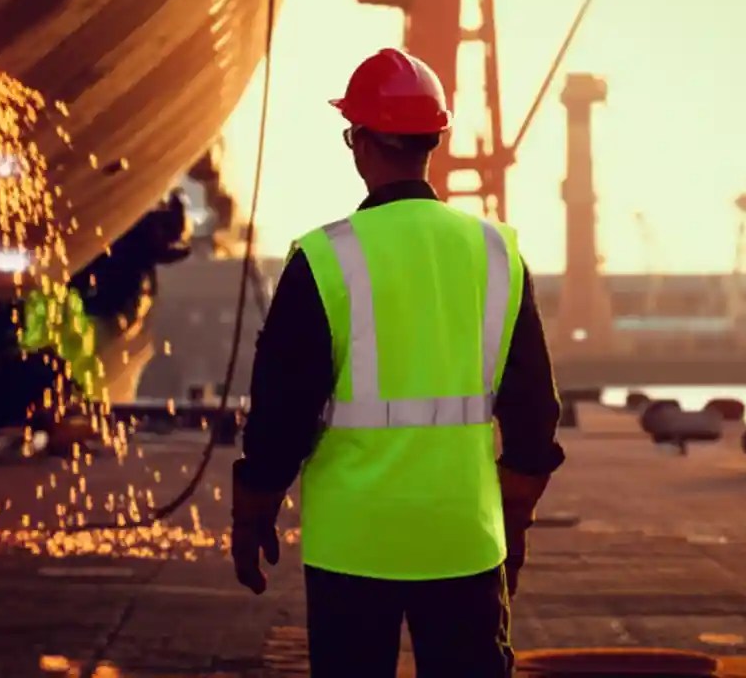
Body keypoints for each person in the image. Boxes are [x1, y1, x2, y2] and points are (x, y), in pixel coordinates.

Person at [230, 47, 565, 678]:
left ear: (357, 141)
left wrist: (252, 513)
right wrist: (514, 522)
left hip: (354, 545)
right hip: (463, 536)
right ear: (436, 139)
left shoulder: (324, 260)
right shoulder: (496, 254)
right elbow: (534, 410)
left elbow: (281, 410)